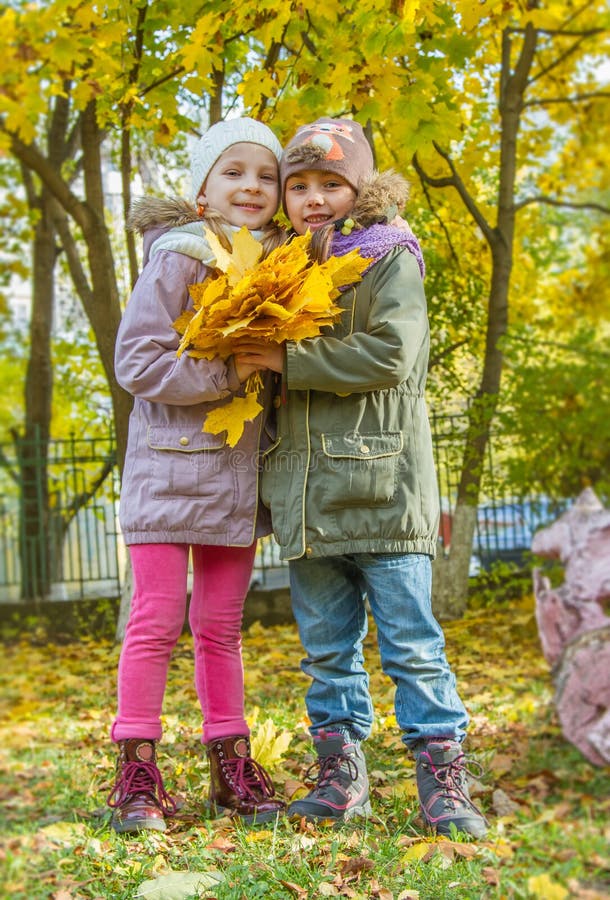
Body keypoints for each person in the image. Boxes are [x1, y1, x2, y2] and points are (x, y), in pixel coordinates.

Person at [235, 117, 489, 838]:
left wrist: (287, 360)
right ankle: (341, 777)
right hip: (307, 498)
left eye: (331, 185)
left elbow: (392, 354)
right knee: (326, 653)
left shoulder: (386, 257)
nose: (314, 199)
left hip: (383, 489)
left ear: (360, 188)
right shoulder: (273, 268)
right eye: (300, 186)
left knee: (411, 645)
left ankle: (442, 779)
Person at [107, 117, 287, 834]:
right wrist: (225, 372)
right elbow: (138, 364)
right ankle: (137, 770)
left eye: (264, 175)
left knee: (220, 626)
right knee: (155, 620)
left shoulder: (279, 268)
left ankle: (230, 765)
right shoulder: (180, 258)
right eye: (233, 172)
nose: (251, 186)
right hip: (168, 472)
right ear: (204, 189)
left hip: (235, 479)